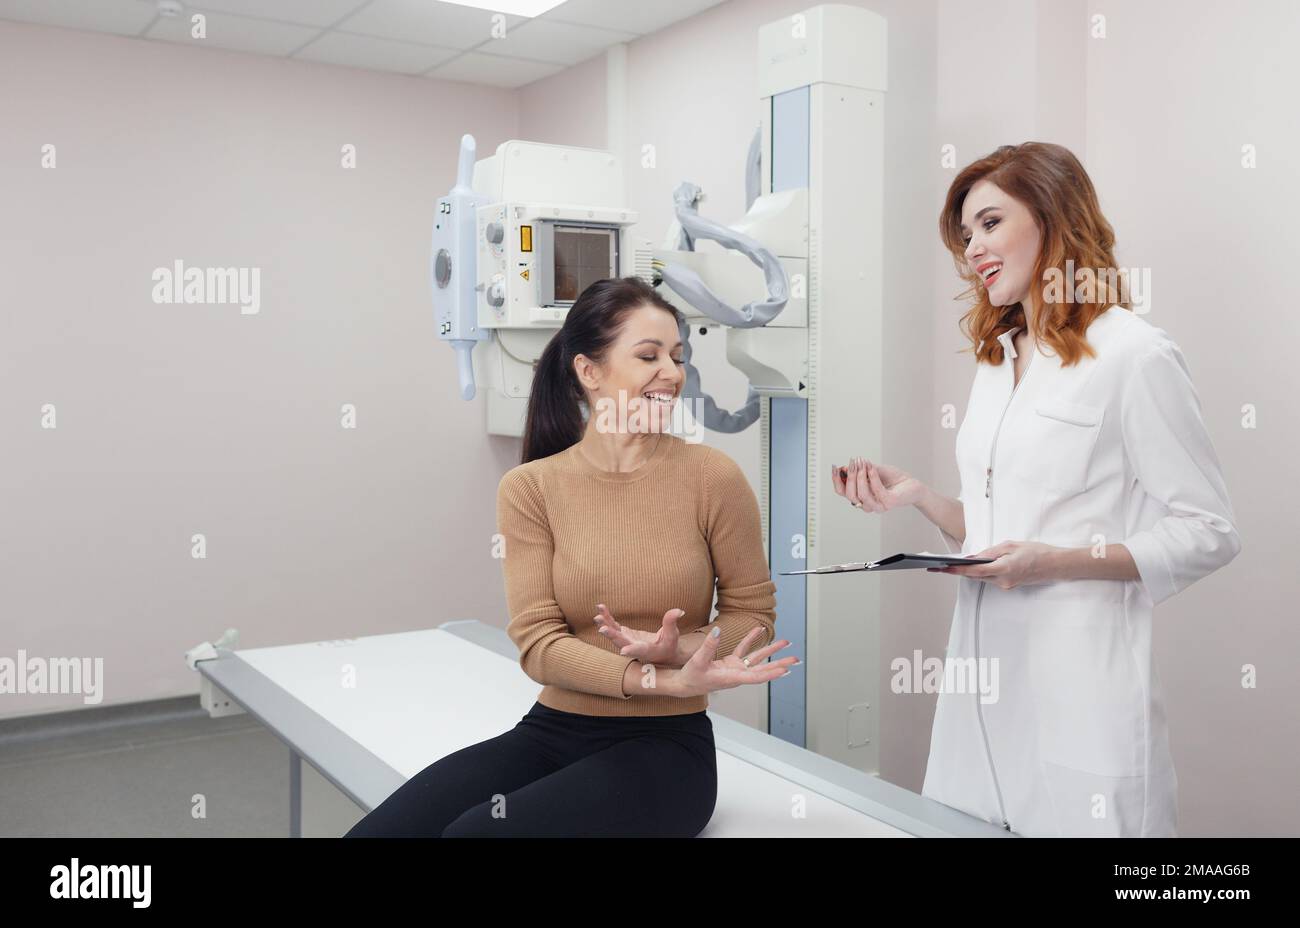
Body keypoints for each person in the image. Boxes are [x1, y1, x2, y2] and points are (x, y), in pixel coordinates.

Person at [832, 142, 1240, 837]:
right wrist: (923, 498)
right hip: (979, 692)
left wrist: (1055, 562)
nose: (973, 251)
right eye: (965, 237)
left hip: (1082, 692)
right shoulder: (998, 360)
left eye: (990, 224)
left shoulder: (1134, 354)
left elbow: (1210, 530)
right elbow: (997, 532)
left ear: (1053, 218)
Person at [346, 276, 797, 838]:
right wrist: (650, 676)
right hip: (553, 730)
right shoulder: (531, 488)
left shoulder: (712, 478)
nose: (673, 373)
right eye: (649, 356)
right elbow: (539, 644)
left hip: (665, 749)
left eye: (678, 357)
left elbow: (753, 615)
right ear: (590, 371)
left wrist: (677, 649)